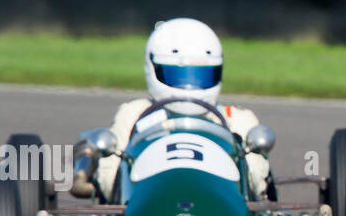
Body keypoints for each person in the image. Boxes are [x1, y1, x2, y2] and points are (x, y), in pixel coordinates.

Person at [94, 17, 271, 202]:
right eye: (177, 75)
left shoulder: (237, 119)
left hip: (220, 209)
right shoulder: (134, 113)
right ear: (153, 68)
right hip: (149, 208)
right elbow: (110, 184)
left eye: (202, 75)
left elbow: (256, 186)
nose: (190, 84)